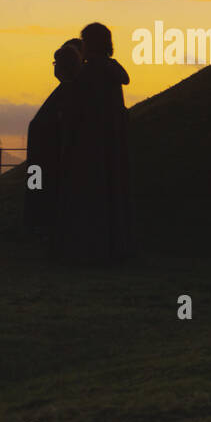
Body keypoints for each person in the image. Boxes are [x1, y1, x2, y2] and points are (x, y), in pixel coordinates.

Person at [57, 22, 133, 264]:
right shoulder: (112, 72)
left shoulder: (87, 75)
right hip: (113, 144)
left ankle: (90, 250)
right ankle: (115, 248)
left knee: (89, 199)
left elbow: (78, 112)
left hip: (89, 146)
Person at [25, 39, 83, 244]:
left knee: (40, 194)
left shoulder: (69, 92)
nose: (55, 68)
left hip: (46, 159)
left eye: (56, 63)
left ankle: (41, 228)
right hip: (41, 160)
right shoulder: (70, 91)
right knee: (37, 191)